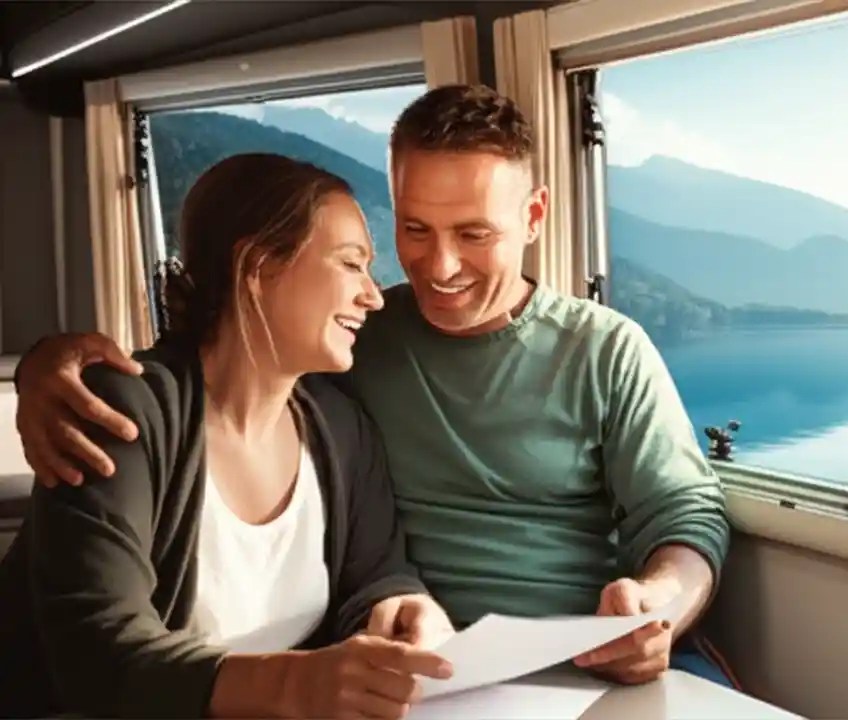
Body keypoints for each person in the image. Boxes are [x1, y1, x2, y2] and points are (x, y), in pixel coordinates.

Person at [14, 84, 734, 689]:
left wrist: (656, 608)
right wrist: (45, 366)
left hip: (578, 666)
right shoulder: (350, 355)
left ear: (534, 217)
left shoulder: (602, 351)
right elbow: (93, 638)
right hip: (420, 681)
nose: (437, 268)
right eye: (414, 229)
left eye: (474, 234)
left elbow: (684, 513)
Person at [0, 153, 454, 719]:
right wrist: (294, 686)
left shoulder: (340, 429)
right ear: (259, 267)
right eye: (350, 264)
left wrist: (403, 604)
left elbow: (377, 574)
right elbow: (97, 653)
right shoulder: (122, 413)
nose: (374, 295)